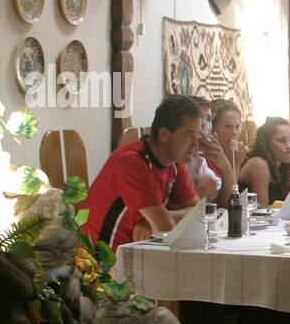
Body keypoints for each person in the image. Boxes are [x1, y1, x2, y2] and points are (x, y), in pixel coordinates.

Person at [83, 95, 201, 250]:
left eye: (197, 136)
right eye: (189, 136)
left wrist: (149, 221)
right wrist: (160, 219)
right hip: (101, 262)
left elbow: (198, 214)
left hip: (136, 252)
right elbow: (164, 227)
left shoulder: (175, 165)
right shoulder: (130, 162)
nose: (196, 144)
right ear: (164, 134)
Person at [239, 117, 290, 206]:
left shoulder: (281, 165)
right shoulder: (259, 164)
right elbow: (262, 209)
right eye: (282, 140)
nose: (289, 146)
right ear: (266, 143)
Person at [210, 99, 247, 185]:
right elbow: (227, 197)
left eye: (237, 127)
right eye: (227, 126)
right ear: (211, 128)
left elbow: (233, 195)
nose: (235, 132)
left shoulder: (235, 155)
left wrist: (235, 164)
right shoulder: (204, 159)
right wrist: (233, 166)